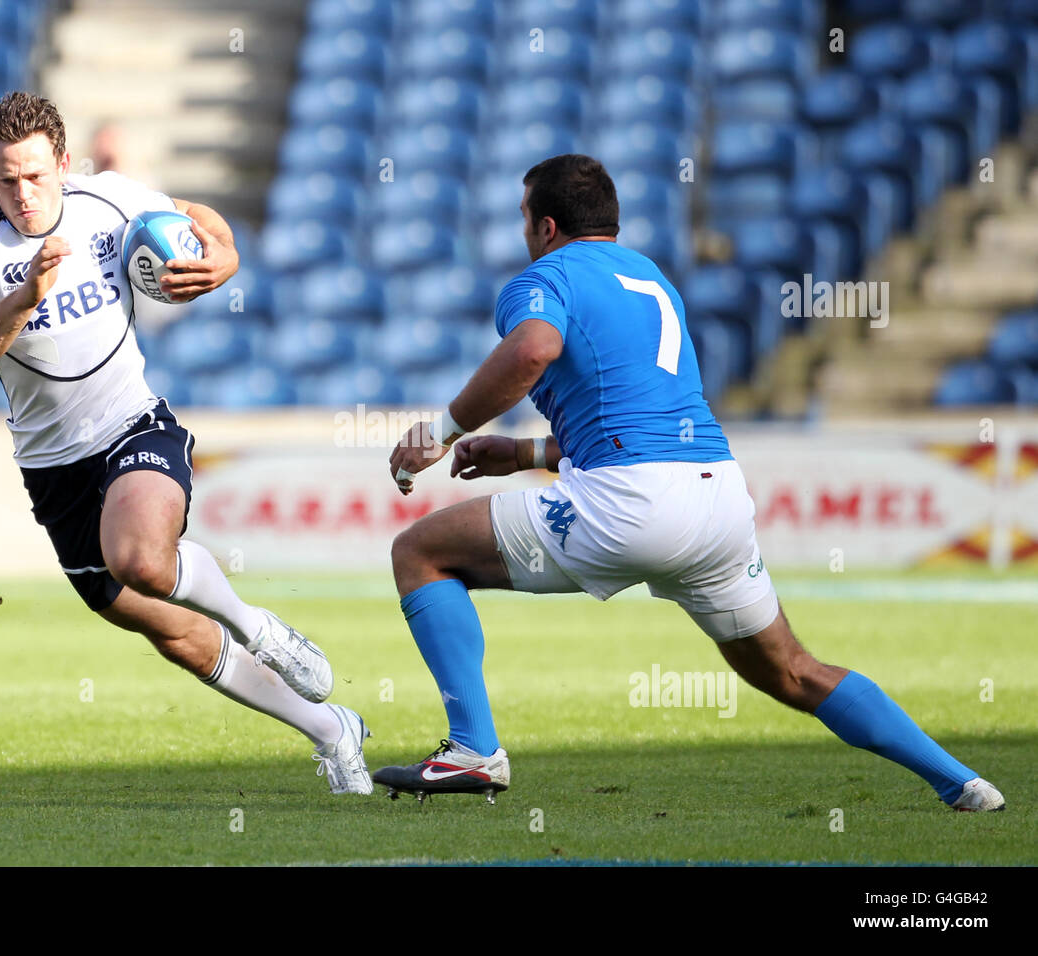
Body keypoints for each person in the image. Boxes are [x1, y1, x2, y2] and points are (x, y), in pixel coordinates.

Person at [375, 153, 1004, 812]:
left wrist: (440, 430)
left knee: (420, 552)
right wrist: (527, 449)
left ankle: (474, 750)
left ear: (547, 226)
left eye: (524, 216)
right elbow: (645, 418)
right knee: (793, 670)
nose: (524, 231)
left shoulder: (547, 275)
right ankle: (962, 783)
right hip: (718, 498)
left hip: (633, 506)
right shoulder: (652, 278)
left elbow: (533, 349)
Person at [0, 91, 371, 795]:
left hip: (133, 422)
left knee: (138, 555)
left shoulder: (111, 201)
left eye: (36, 176)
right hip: (52, 471)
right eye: (6, 180)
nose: (22, 194)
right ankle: (331, 730)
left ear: (64, 164)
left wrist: (223, 259)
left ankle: (261, 627)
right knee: (176, 635)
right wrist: (20, 300)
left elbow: (202, 221)